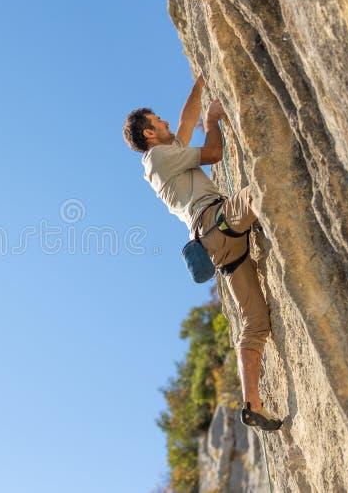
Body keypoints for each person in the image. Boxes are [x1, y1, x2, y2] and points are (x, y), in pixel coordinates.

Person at [122, 75, 282, 431]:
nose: (164, 122)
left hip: (218, 246)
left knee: (254, 324)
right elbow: (213, 152)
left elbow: (185, 122)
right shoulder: (161, 157)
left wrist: (200, 85)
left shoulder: (164, 156)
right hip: (217, 222)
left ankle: (252, 403)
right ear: (148, 134)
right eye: (157, 121)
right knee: (261, 187)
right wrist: (213, 122)